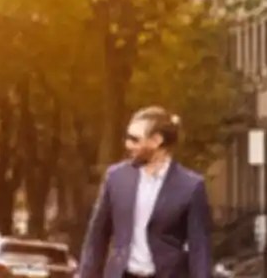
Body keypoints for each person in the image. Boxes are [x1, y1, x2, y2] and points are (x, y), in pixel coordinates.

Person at [78, 107, 211, 278]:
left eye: (135, 139)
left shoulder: (190, 186)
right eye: (127, 138)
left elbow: (200, 250)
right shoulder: (116, 177)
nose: (128, 145)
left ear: (156, 140)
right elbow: (96, 238)